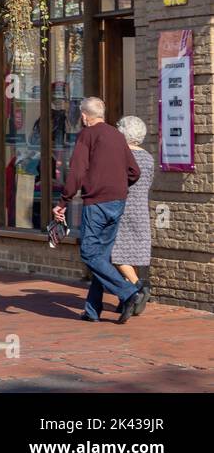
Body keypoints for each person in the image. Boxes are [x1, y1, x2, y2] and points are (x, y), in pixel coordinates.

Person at [54, 97, 144, 323]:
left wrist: (63, 201)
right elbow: (134, 172)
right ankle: (92, 311)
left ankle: (129, 292)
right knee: (101, 256)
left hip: (97, 204)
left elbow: (76, 171)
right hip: (118, 202)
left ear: (84, 117)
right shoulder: (117, 135)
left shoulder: (87, 135)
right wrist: (119, 187)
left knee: (88, 252)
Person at [112, 115, 154, 312]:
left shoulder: (122, 155)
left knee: (116, 254)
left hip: (124, 208)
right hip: (140, 209)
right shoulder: (148, 157)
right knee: (131, 255)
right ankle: (128, 299)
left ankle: (139, 287)